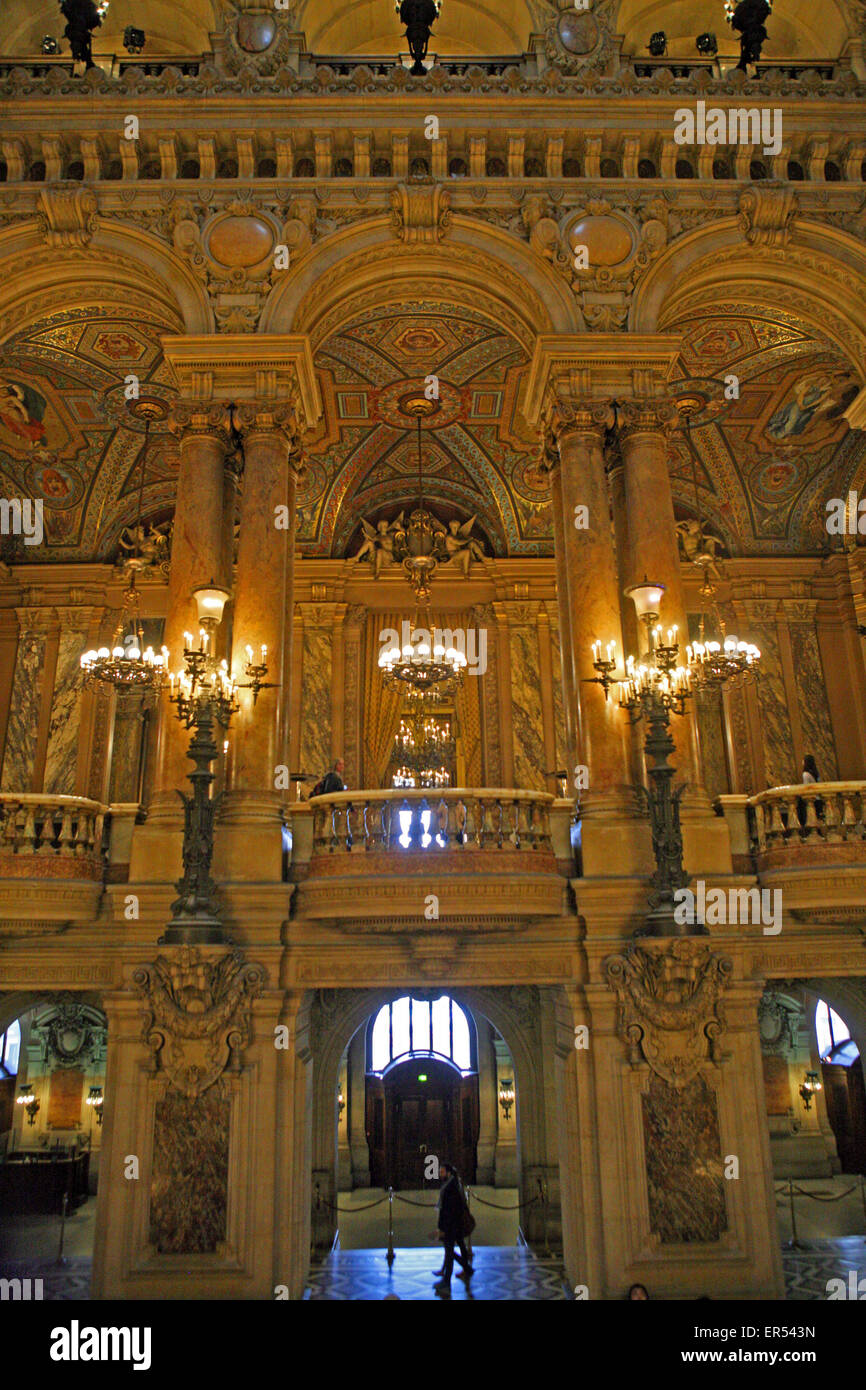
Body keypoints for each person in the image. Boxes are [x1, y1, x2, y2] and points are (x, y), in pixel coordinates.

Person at [434, 1162, 472, 1288]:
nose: (440, 1174)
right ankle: (467, 1268)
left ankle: (446, 1280)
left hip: (451, 1225)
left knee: (449, 1251)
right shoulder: (452, 1184)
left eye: (442, 1172)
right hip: (455, 1223)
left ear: (449, 1173)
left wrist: (442, 1227)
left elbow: (448, 1210)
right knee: (455, 1247)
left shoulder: (451, 1187)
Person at [797, 754, 823, 828]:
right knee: (818, 819)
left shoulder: (806, 774)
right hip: (818, 799)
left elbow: (806, 788)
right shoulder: (816, 774)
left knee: (811, 820)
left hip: (811, 800)